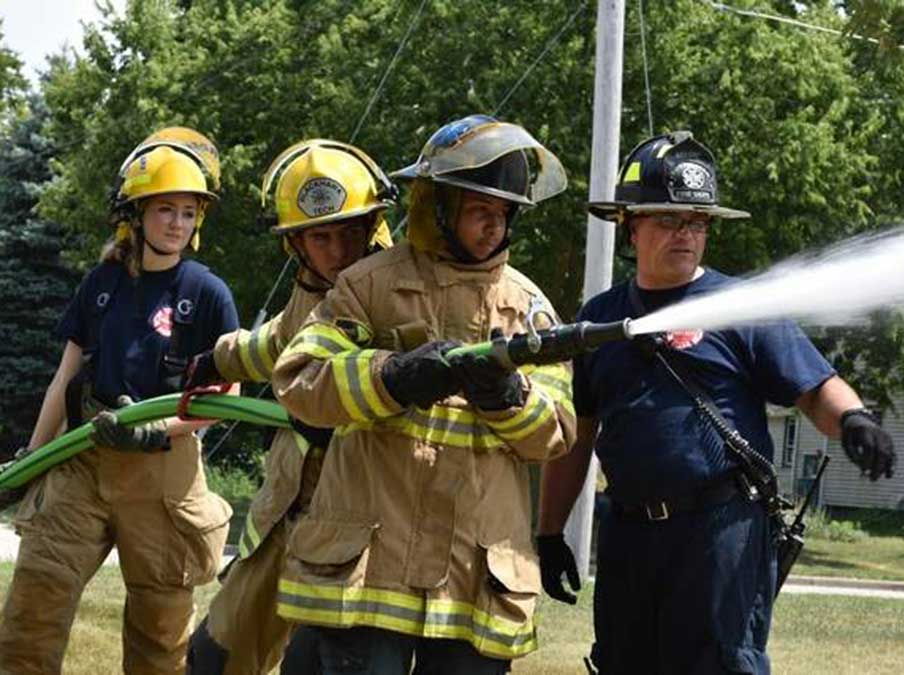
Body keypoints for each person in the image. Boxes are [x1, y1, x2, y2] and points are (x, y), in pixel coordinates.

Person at [535, 131, 896, 675]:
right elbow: (579, 435)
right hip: (629, 535)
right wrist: (549, 531)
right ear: (631, 225)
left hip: (720, 532)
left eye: (697, 223)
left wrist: (853, 418)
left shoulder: (740, 307)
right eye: (669, 221)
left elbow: (816, 387)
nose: (687, 234)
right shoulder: (600, 318)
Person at [269, 115, 576, 674]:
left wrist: (508, 396)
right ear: (438, 207)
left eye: (504, 212)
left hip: (473, 578)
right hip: (370, 574)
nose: (494, 226)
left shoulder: (528, 308)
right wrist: (392, 376)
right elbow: (300, 377)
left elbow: (555, 432)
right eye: (481, 210)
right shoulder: (367, 285)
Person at [0, 128, 240, 674]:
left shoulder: (207, 293)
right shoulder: (102, 283)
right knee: (33, 606)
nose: (177, 223)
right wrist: (30, 459)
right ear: (135, 214)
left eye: (188, 211)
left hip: (163, 473)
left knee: (160, 633)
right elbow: (65, 377)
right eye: (164, 210)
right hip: (83, 460)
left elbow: (228, 394)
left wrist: (158, 431)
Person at [184, 139, 396, 675]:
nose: (337, 250)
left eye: (349, 232)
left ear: (372, 225)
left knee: (313, 663)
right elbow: (277, 341)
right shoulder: (308, 291)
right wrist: (218, 358)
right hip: (287, 505)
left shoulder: (398, 293)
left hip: (356, 519)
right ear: (294, 245)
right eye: (319, 237)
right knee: (215, 655)